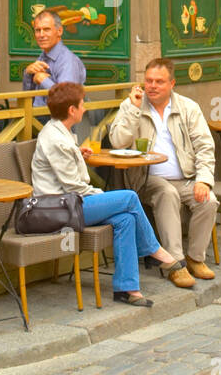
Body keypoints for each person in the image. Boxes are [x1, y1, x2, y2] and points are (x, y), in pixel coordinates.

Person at [34, 82, 180, 306]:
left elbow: (64, 171)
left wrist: (77, 153)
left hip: (71, 203)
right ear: (72, 110)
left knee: (126, 218)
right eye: (82, 105)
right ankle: (155, 251)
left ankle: (127, 289)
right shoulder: (55, 139)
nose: (84, 109)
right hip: (60, 209)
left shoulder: (60, 132)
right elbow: (74, 187)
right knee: (129, 198)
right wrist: (100, 193)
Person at [108, 57, 219, 289]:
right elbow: (117, 141)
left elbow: (205, 147)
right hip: (147, 179)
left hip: (186, 177)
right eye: (148, 80)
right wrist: (133, 110)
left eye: (159, 81)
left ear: (172, 83)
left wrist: (204, 180)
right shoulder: (132, 106)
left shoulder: (188, 108)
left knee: (208, 201)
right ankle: (174, 264)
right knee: (167, 193)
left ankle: (195, 258)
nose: (152, 86)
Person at [22, 10, 86, 107]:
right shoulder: (43, 56)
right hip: (36, 115)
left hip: (56, 119)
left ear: (59, 31)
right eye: (38, 30)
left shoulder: (67, 60)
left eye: (46, 29)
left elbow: (67, 99)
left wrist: (43, 80)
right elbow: (27, 96)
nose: (41, 35)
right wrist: (28, 73)